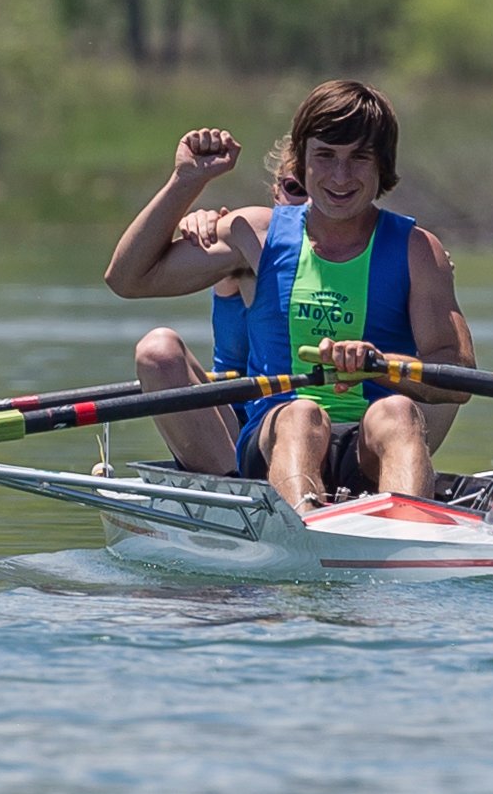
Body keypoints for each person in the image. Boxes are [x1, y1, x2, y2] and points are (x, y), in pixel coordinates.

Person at [106, 79, 473, 514]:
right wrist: (185, 183)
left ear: (382, 165)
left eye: (359, 158)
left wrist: (381, 365)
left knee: (396, 412)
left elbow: (458, 375)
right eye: (325, 157)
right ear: (301, 162)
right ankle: (301, 532)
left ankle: (410, 537)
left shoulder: (417, 250)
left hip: (370, 446)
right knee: (302, 415)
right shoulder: (256, 235)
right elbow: (128, 279)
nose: (340, 176)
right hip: (275, 436)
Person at [128, 137, 306, 475]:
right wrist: (189, 193)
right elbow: (127, 277)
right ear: (277, 192)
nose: (309, 203)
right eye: (296, 188)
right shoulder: (248, 238)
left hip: (324, 421)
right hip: (237, 428)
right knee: (158, 351)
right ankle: (235, 487)